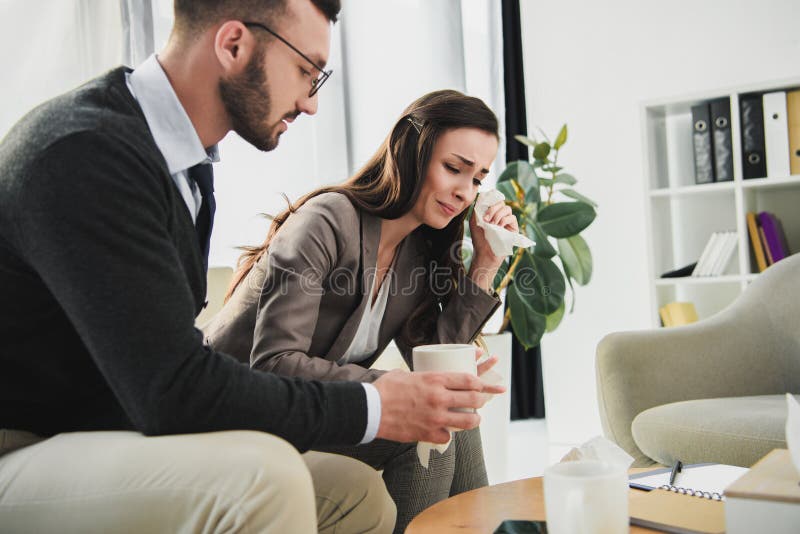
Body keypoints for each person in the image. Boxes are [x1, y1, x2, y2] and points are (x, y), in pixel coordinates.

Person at [0, 1, 503, 532]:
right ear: (233, 44)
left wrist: (483, 269)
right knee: (271, 479)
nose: (311, 103)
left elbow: (432, 350)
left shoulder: (187, 171)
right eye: (306, 70)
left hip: (113, 423)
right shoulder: (87, 152)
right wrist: (378, 401)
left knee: (372, 483)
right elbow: (173, 389)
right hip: (27, 437)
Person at [204, 89, 519, 532]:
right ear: (411, 152)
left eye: (478, 179)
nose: (466, 192)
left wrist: (485, 263)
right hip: (238, 420)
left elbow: (433, 361)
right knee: (436, 419)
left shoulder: (418, 250)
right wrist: (396, 389)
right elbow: (274, 364)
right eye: (454, 169)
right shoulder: (327, 220)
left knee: (449, 419)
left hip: (307, 417)